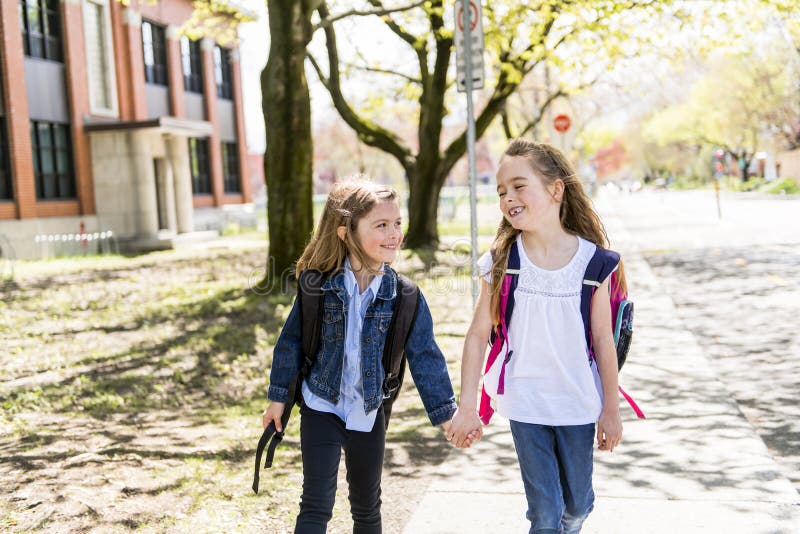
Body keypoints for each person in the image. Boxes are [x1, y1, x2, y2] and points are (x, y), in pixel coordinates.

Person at [262, 180, 466, 534]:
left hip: (368, 413)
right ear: (346, 233)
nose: (394, 234)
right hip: (321, 405)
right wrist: (278, 398)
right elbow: (290, 342)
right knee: (315, 505)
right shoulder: (317, 286)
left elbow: (425, 357)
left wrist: (447, 416)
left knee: (367, 508)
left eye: (397, 223)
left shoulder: (405, 295)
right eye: (381, 225)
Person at [447, 139, 625, 533]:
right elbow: (478, 336)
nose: (508, 197)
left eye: (518, 185)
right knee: (545, 515)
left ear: (555, 189)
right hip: (526, 402)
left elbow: (603, 340)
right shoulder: (502, 261)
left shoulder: (594, 262)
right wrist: (468, 405)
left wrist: (611, 408)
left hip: (577, 402)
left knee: (576, 508)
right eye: (501, 191)